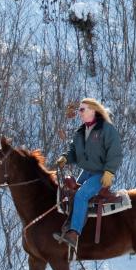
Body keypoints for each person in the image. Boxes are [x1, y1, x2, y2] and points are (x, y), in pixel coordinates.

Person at [54, 98, 123, 253]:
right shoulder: (81, 131)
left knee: (81, 196)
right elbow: (73, 151)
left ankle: (74, 234)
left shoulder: (106, 129)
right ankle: (70, 225)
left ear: (93, 110)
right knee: (71, 194)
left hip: (101, 174)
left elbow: (115, 153)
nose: (79, 113)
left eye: (82, 109)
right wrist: (66, 157)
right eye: (79, 110)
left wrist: (109, 172)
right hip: (86, 172)